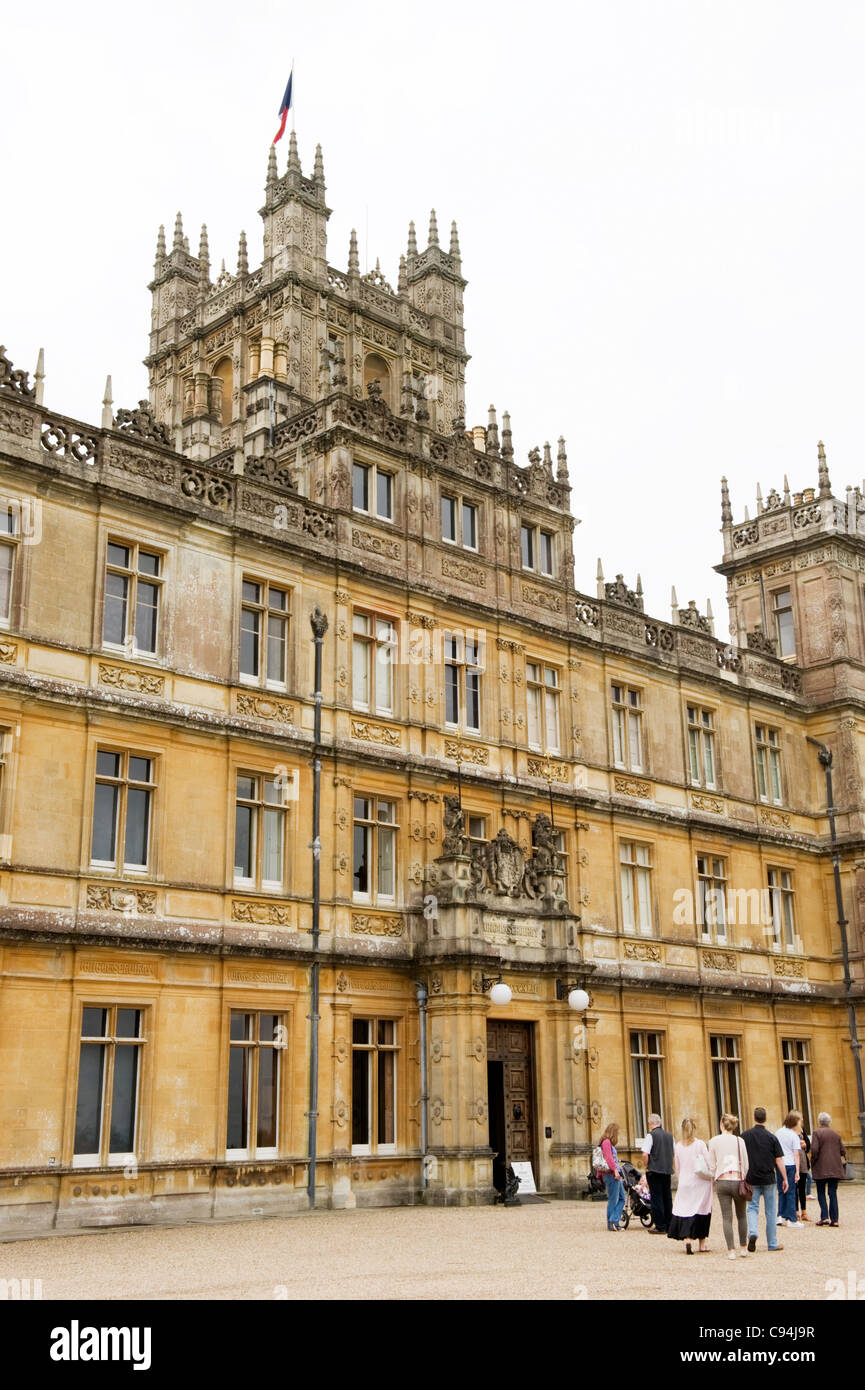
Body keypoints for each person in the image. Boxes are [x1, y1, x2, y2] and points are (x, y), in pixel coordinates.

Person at [742, 1106, 787, 1252]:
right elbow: (779, 1160)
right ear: (765, 1119)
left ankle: (753, 1232)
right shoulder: (772, 1137)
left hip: (752, 1177)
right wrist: (785, 1178)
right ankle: (772, 1243)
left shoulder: (744, 1136)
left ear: (754, 1118)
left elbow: (741, 1158)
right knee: (770, 1211)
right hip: (768, 1178)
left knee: (752, 1208)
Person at [667, 1117, 713, 1253]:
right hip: (700, 1182)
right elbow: (709, 1162)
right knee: (701, 1211)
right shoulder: (700, 1144)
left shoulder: (678, 1146)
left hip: (685, 1182)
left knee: (685, 1211)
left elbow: (678, 1167)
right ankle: (702, 1244)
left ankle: (687, 1239)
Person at [708, 1112, 750, 1260]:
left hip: (723, 1181)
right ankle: (743, 1247)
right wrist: (742, 1177)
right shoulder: (740, 1141)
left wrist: (714, 1178)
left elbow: (711, 1165)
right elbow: (745, 1164)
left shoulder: (713, 1141)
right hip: (738, 1179)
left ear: (721, 1125)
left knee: (727, 1217)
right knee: (741, 1215)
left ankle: (731, 1250)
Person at [811, 1112, 847, 1227]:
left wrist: (814, 1161)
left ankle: (825, 1217)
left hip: (821, 1167)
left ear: (819, 1122)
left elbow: (814, 1150)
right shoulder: (836, 1134)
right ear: (829, 1122)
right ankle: (835, 1219)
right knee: (832, 1193)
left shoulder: (816, 1133)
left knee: (821, 1192)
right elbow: (843, 1151)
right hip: (835, 1168)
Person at [641, 1112, 674, 1236]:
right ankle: (669, 1223)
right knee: (667, 1197)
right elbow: (673, 1153)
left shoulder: (651, 1136)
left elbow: (645, 1153)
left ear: (650, 1123)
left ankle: (660, 1226)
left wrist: (647, 1166)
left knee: (657, 1198)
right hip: (667, 1170)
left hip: (654, 1171)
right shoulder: (670, 1136)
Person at [775, 1111, 802, 1227]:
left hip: (780, 1163)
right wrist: (797, 1170)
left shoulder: (778, 1132)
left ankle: (780, 1216)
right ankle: (792, 1219)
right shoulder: (793, 1135)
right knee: (790, 1191)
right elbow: (796, 1154)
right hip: (790, 1164)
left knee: (781, 1190)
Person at [597, 1122, 626, 1231]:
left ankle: (613, 1221)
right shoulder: (606, 1142)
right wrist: (615, 1171)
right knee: (613, 1200)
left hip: (612, 1173)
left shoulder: (607, 1143)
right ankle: (612, 1223)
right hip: (611, 1174)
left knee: (622, 1198)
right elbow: (609, 1158)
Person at [795, 1118, 811, 1222]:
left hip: (803, 1163)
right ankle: (796, 1212)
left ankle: (804, 1212)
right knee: (795, 1189)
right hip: (794, 1163)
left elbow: (808, 1146)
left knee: (802, 1189)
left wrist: (805, 1145)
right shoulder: (789, 1132)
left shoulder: (802, 1130)